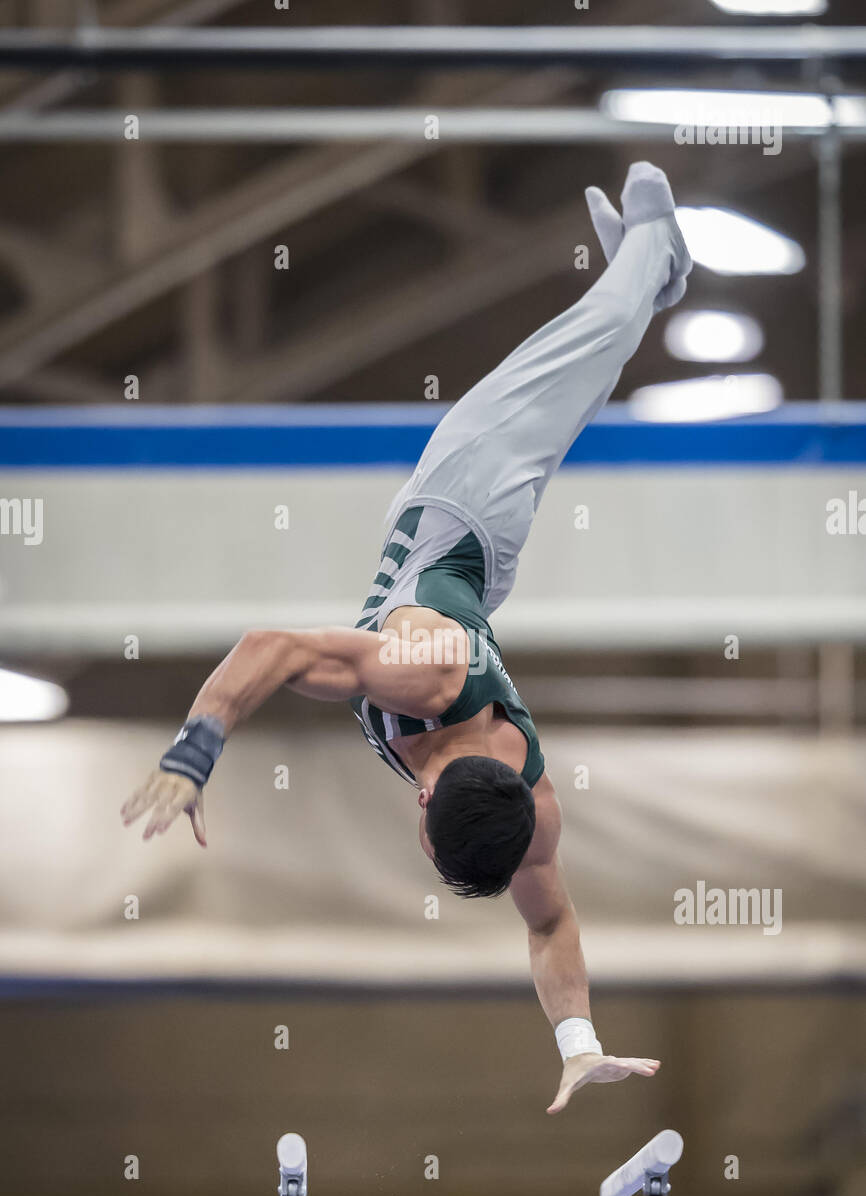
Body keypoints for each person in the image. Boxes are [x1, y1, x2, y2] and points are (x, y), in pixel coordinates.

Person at [121, 162, 691, 1113]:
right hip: (465, 498)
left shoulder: (527, 815)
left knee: (571, 397)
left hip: (480, 576)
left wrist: (579, 1042)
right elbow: (270, 645)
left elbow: (548, 926)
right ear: (427, 829)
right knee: (550, 376)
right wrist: (194, 752)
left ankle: (648, 277)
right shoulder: (419, 679)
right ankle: (657, 249)